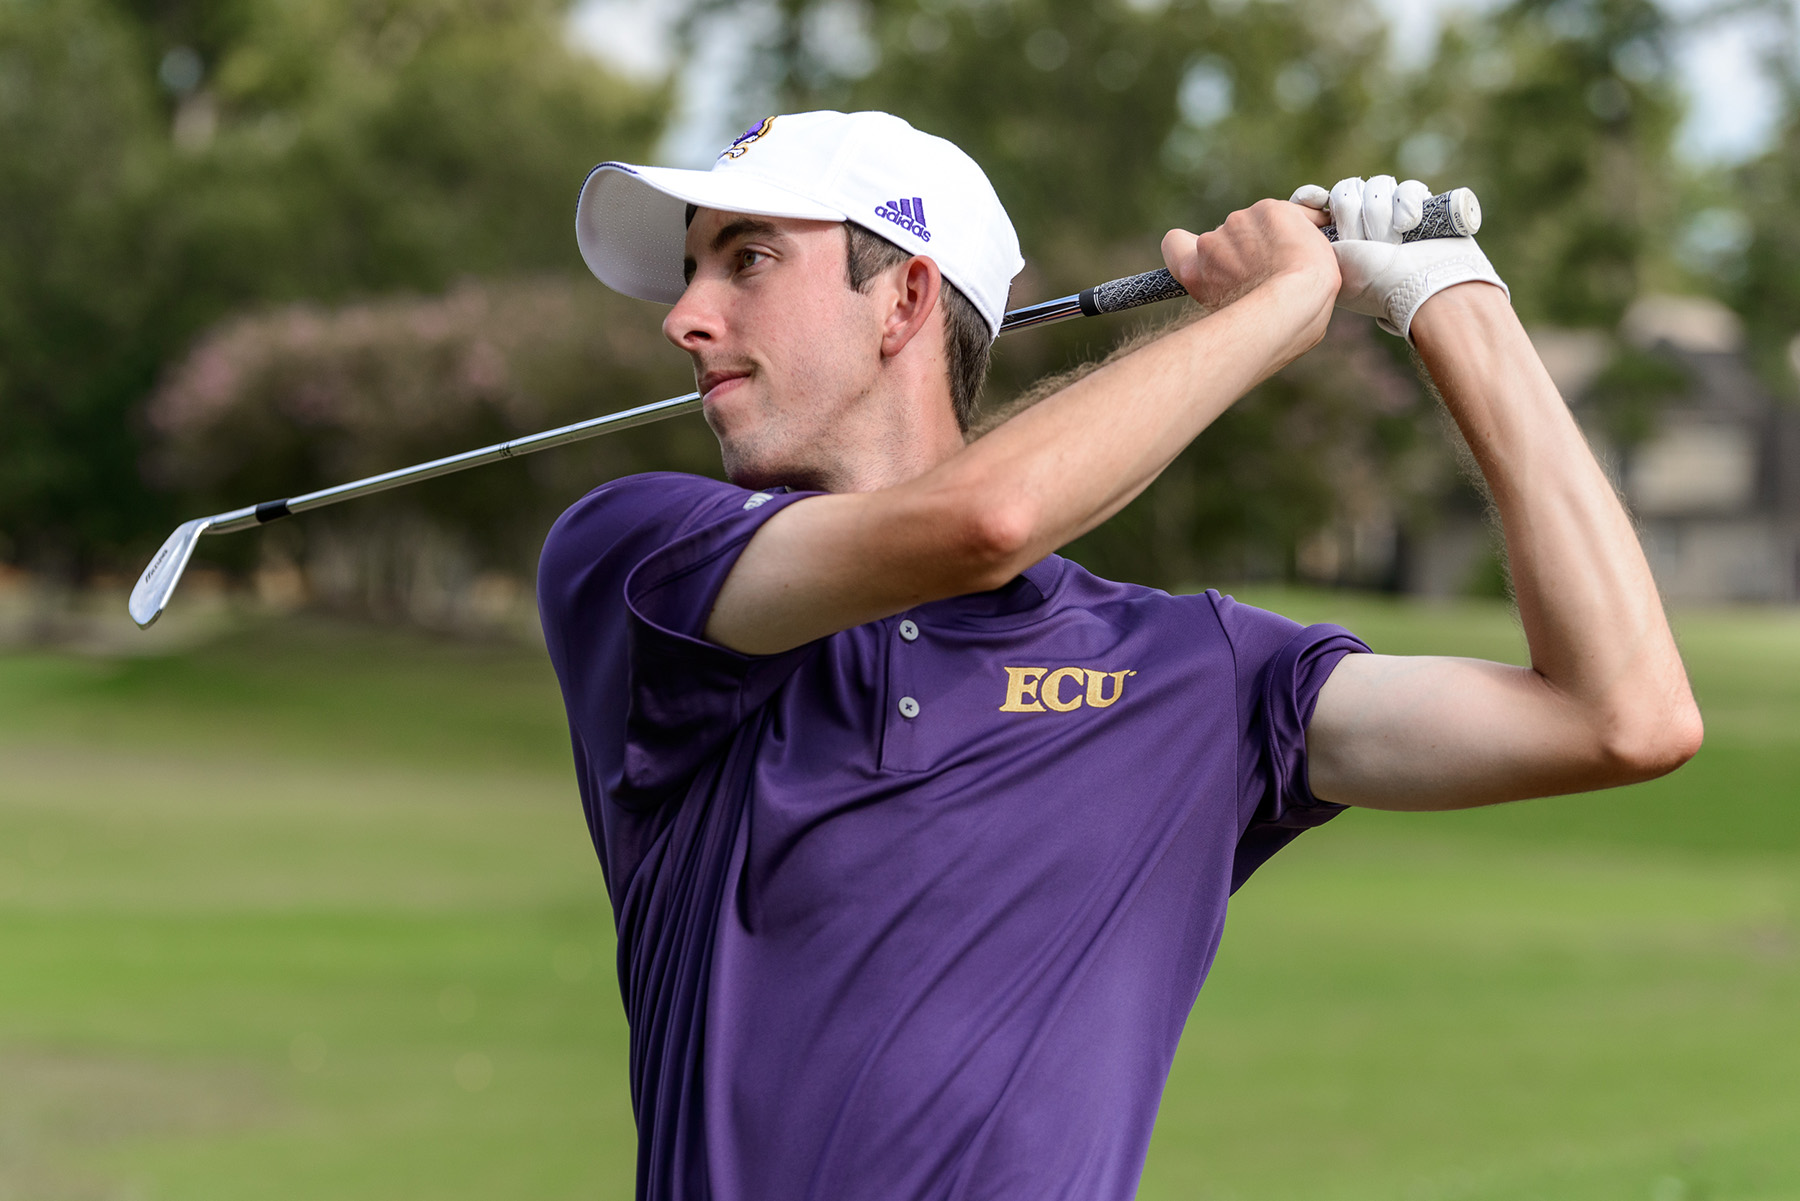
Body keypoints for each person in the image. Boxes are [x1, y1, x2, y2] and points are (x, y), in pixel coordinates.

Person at [538, 110, 1701, 1201]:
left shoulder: (1195, 673)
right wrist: (1276, 308)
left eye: (743, 260)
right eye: (693, 271)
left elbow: (1623, 715)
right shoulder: (642, 564)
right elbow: (978, 523)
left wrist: (1455, 298)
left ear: (904, 298)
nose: (684, 318)